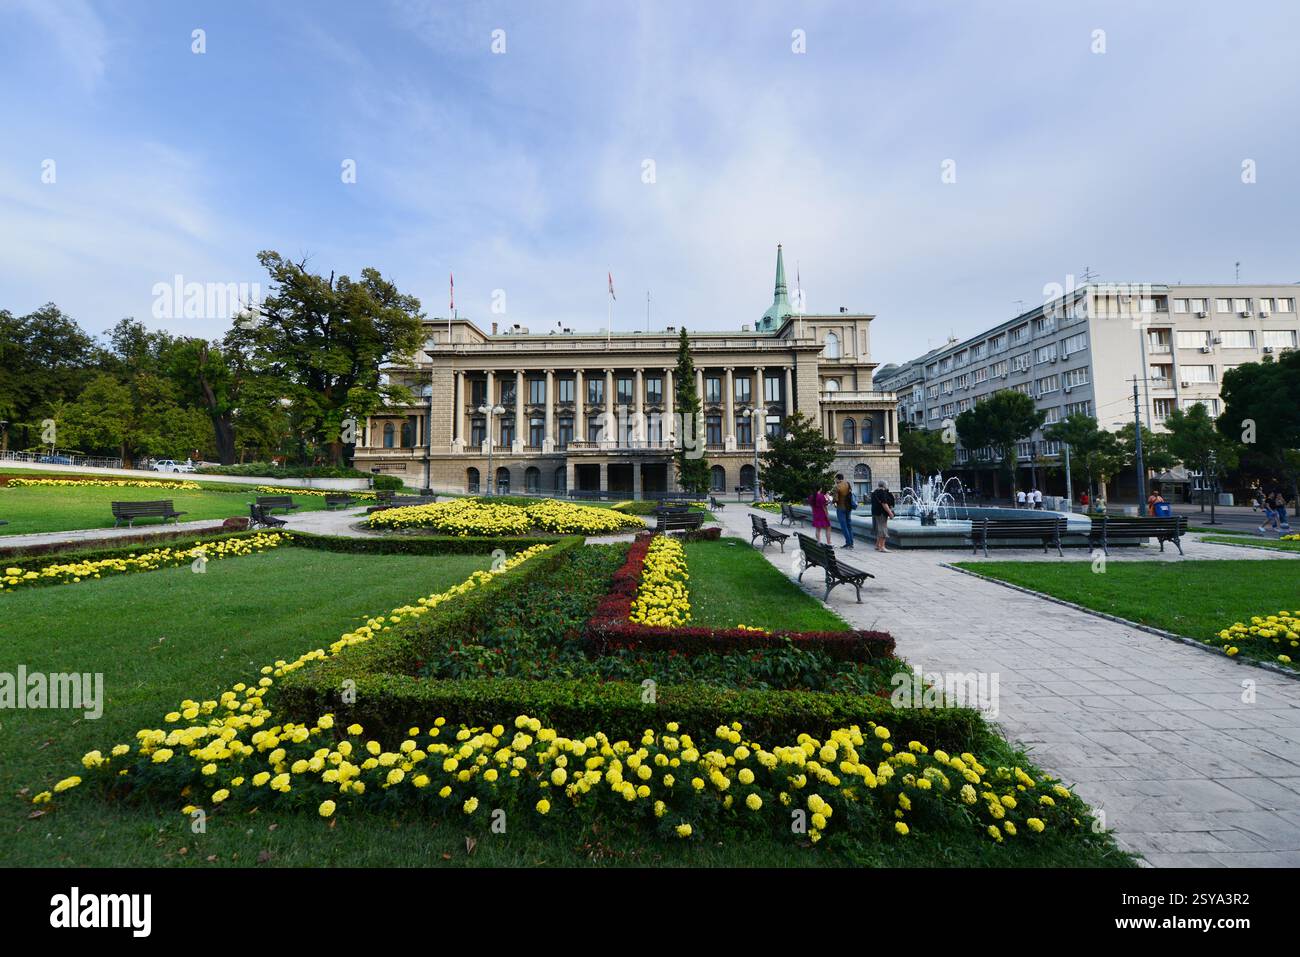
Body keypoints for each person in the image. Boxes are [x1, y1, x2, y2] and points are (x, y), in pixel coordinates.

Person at [870, 480, 896, 553]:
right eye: (886, 485)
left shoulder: (874, 492)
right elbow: (884, 504)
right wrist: (890, 513)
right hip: (881, 513)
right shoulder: (882, 492)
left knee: (880, 528)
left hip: (875, 513)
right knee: (883, 529)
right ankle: (882, 547)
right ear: (884, 485)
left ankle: (877, 545)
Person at [832, 472, 855, 549]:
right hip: (848, 507)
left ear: (837, 479)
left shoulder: (836, 487)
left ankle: (848, 543)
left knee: (844, 526)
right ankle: (851, 543)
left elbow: (835, 499)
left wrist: (833, 502)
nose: (835, 480)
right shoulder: (847, 484)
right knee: (849, 525)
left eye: (835, 479)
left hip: (841, 508)